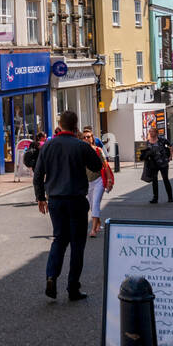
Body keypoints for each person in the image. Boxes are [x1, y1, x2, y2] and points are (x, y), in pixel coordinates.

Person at [33, 111, 102, 301]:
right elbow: (97, 166)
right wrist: (88, 146)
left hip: (55, 200)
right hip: (76, 199)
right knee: (77, 244)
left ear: (60, 125)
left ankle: (51, 277)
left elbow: (38, 174)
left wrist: (40, 197)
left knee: (59, 239)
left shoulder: (48, 146)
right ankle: (73, 287)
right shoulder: (81, 145)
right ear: (75, 126)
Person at [81, 129, 114, 238]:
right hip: (87, 182)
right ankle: (98, 222)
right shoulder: (80, 151)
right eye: (84, 137)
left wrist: (109, 179)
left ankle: (93, 229)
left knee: (95, 204)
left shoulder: (98, 150)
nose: (86, 138)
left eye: (89, 136)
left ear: (92, 138)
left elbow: (105, 165)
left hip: (98, 180)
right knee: (91, 205)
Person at [142, 126, 173, 203]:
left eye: (152, 131)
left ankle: (170, 197)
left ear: (156, 132)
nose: (150, 133)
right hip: (153, 164)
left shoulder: (162, 140)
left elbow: (171, 146)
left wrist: (170, 156)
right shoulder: (148, 142)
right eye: (150, 131)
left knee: (165, 179)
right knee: (154, 181)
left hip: (163, 163)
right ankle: (155, 198)